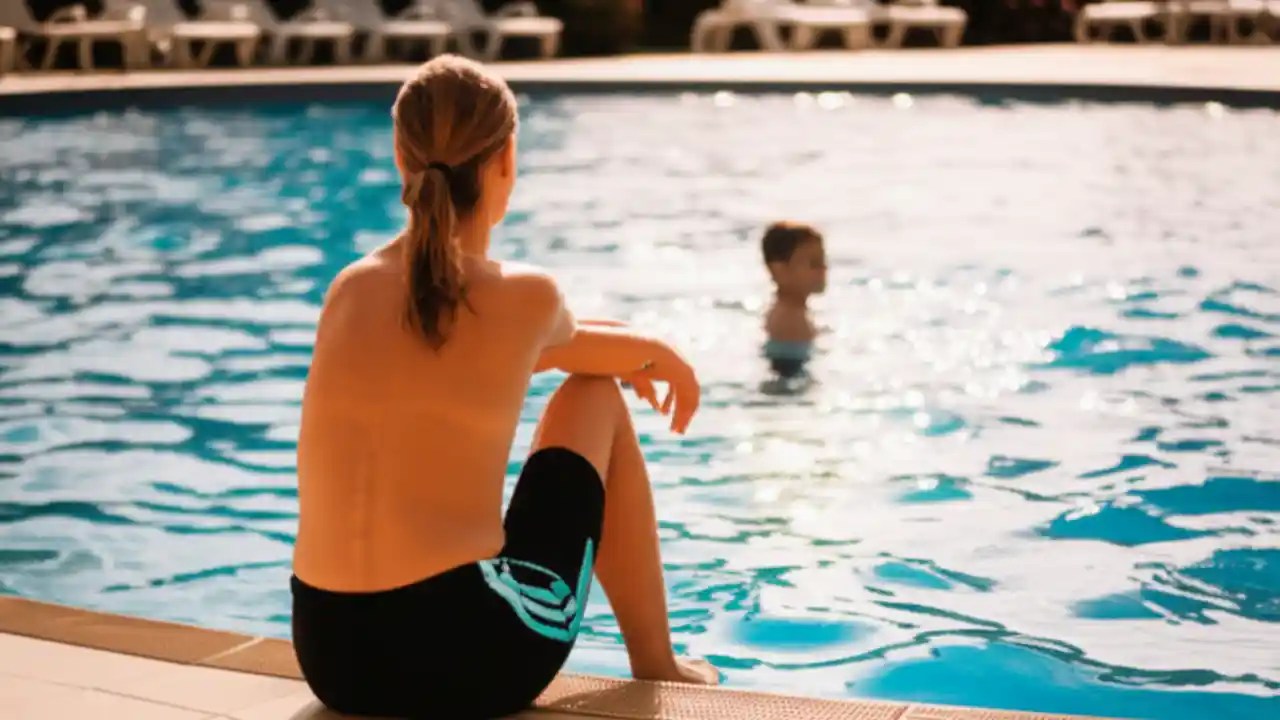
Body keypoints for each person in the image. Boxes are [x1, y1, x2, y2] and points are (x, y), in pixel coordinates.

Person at [290, 56, 718, 720]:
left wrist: (640, 349)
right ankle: (655, 662)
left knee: (588, 383)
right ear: (505, 161)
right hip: (466, 659)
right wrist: (664, 356)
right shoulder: (525, 297)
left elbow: (546, 345)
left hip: (330, 656)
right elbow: (586, 356)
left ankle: (655, 658)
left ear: (402, 159)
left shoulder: (349, 290)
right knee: (595, 398)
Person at [761, 221, 827, 378]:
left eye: (823, 261)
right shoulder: (790, 321)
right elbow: (788, 375)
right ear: (779, 270)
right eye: (814, 263)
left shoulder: (793, 313)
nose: (823, 270)